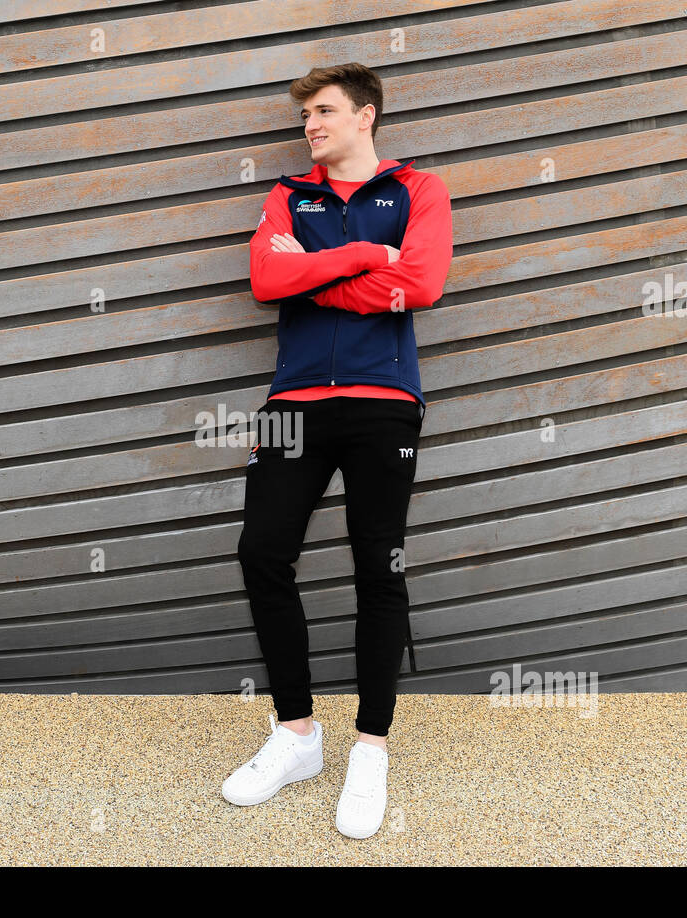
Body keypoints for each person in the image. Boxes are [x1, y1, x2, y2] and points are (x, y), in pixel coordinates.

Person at [221, 63, 454, 838]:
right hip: (293, 403)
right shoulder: (291, 195)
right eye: (305, 116)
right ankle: (297, 736)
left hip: (382, 401)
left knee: (376, 566)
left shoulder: (419, 190)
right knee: (262, 552)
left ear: (366, 116)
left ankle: (370, 748)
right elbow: (264, 278)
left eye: (324, 112)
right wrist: (364, 258)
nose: (310, 125)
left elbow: (419, 286)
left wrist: (309, 275)